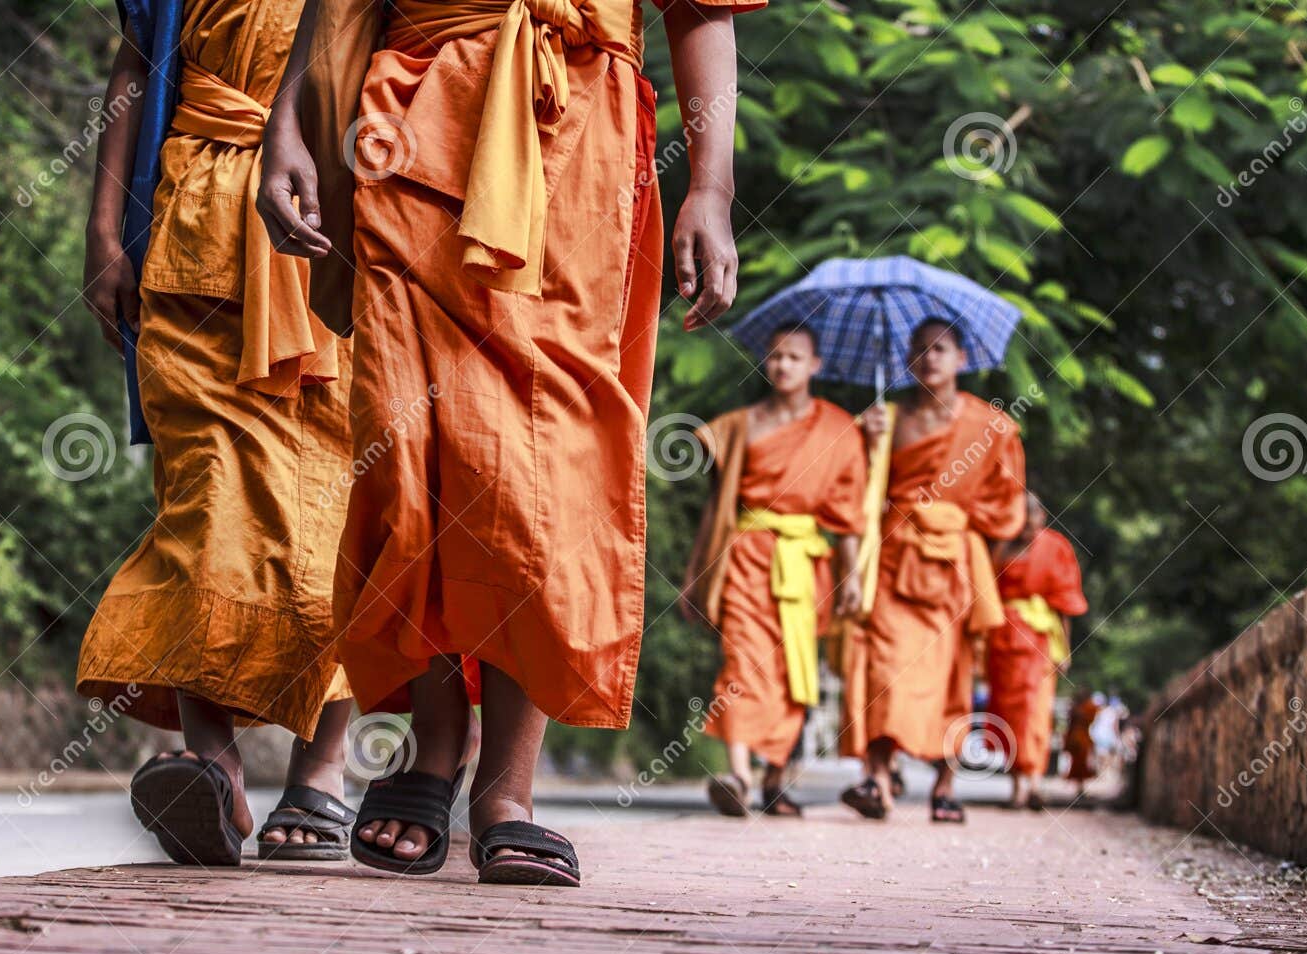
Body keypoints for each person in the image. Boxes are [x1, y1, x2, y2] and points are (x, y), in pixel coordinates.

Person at [257, 0, 760, 886]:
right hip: (409, 121)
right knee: (416, 447)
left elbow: (702, 12)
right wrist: (285, 124)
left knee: (546, 464)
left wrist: (711, 186)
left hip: (580, 140)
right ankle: (438, 734)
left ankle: (508, 789)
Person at [75, 0, 362, 868]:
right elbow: (134, 66)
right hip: (194, 223)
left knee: (337, 510)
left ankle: (323, 768)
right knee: (203, 501)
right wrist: (100, 230)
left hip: (335, 228)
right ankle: (214, 766)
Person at [838, 317, 1026, 823]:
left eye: (941, 349)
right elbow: (856, 494)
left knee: (951, 676)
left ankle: (945, 786)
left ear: (961, 359)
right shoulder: (886, 420)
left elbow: (1008, 509)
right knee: (883, 669)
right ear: (907, 361)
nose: (930, 359)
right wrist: (867, 439)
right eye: (919, 351)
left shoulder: (993, 427)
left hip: (953, 567)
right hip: (894, 560)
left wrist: (970, 549)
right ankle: (877, 780)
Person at [681, 324, 866, 817]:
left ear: (815, 366)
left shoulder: (838, 429)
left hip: (805, 565)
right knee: (742, 662)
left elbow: (848, 518)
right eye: (776, 356)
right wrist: (694, 575)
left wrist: (853, 578)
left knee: (793, 671)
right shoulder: (742, 424)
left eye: (795, 357)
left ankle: (776, 780)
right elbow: (715, 507)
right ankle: (739, 774)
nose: (784, 366)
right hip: (745, 557)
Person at [985, 492, 1087, 811]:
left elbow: (1064, 604)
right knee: (1008, 711)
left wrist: (1065, 649)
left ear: (1043, 517)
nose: (1031, 528)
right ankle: (1016, 784)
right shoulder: (1000, 547)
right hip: (1002, 640)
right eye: (1024, 522)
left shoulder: (1055, 547)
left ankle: (1033, 782)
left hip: (1039, 641)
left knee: (1036, 712)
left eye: (1036, 520)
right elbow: (985, 594)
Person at [1063, 688, 1102, 800]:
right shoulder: (1077, 707)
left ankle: (1081, 788)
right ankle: (1079, 788)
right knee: (1077, 764)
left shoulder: (1088, 707)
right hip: (1076, 738)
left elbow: (1091, 718)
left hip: (1082, 738)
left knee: (1083, 764)